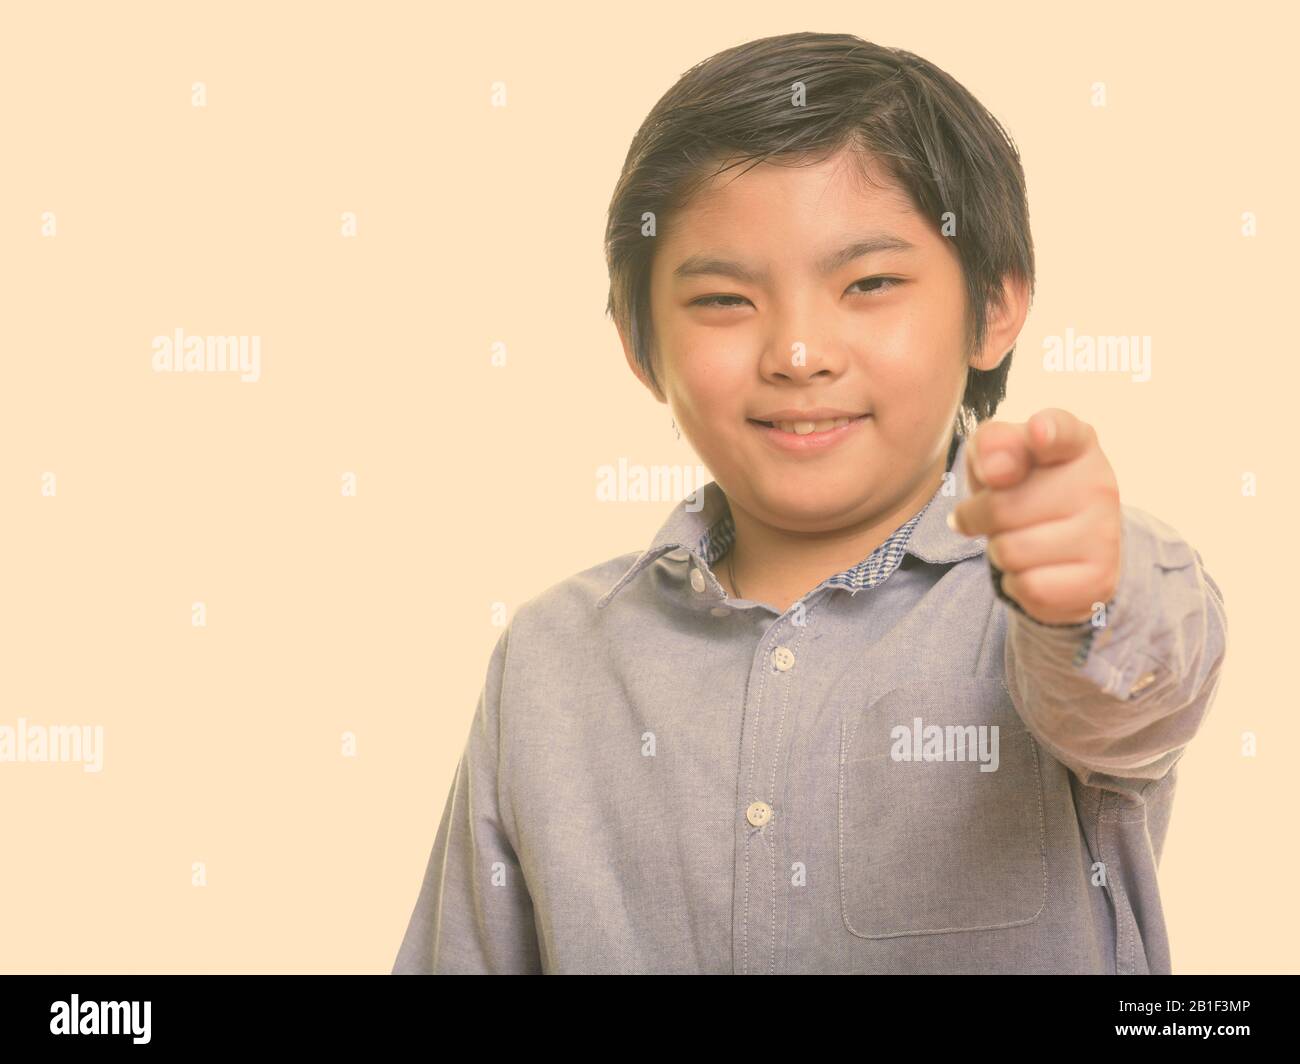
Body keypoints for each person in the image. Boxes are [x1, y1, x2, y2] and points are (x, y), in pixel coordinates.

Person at [392, 31, 1227, 974]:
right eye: (722, 300)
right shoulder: (549, 665)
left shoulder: (1051, 601)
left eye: (869, 284)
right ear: (638, 343)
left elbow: (1135, 685)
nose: (798, 352)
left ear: (993, 307)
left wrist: (1090, 587)